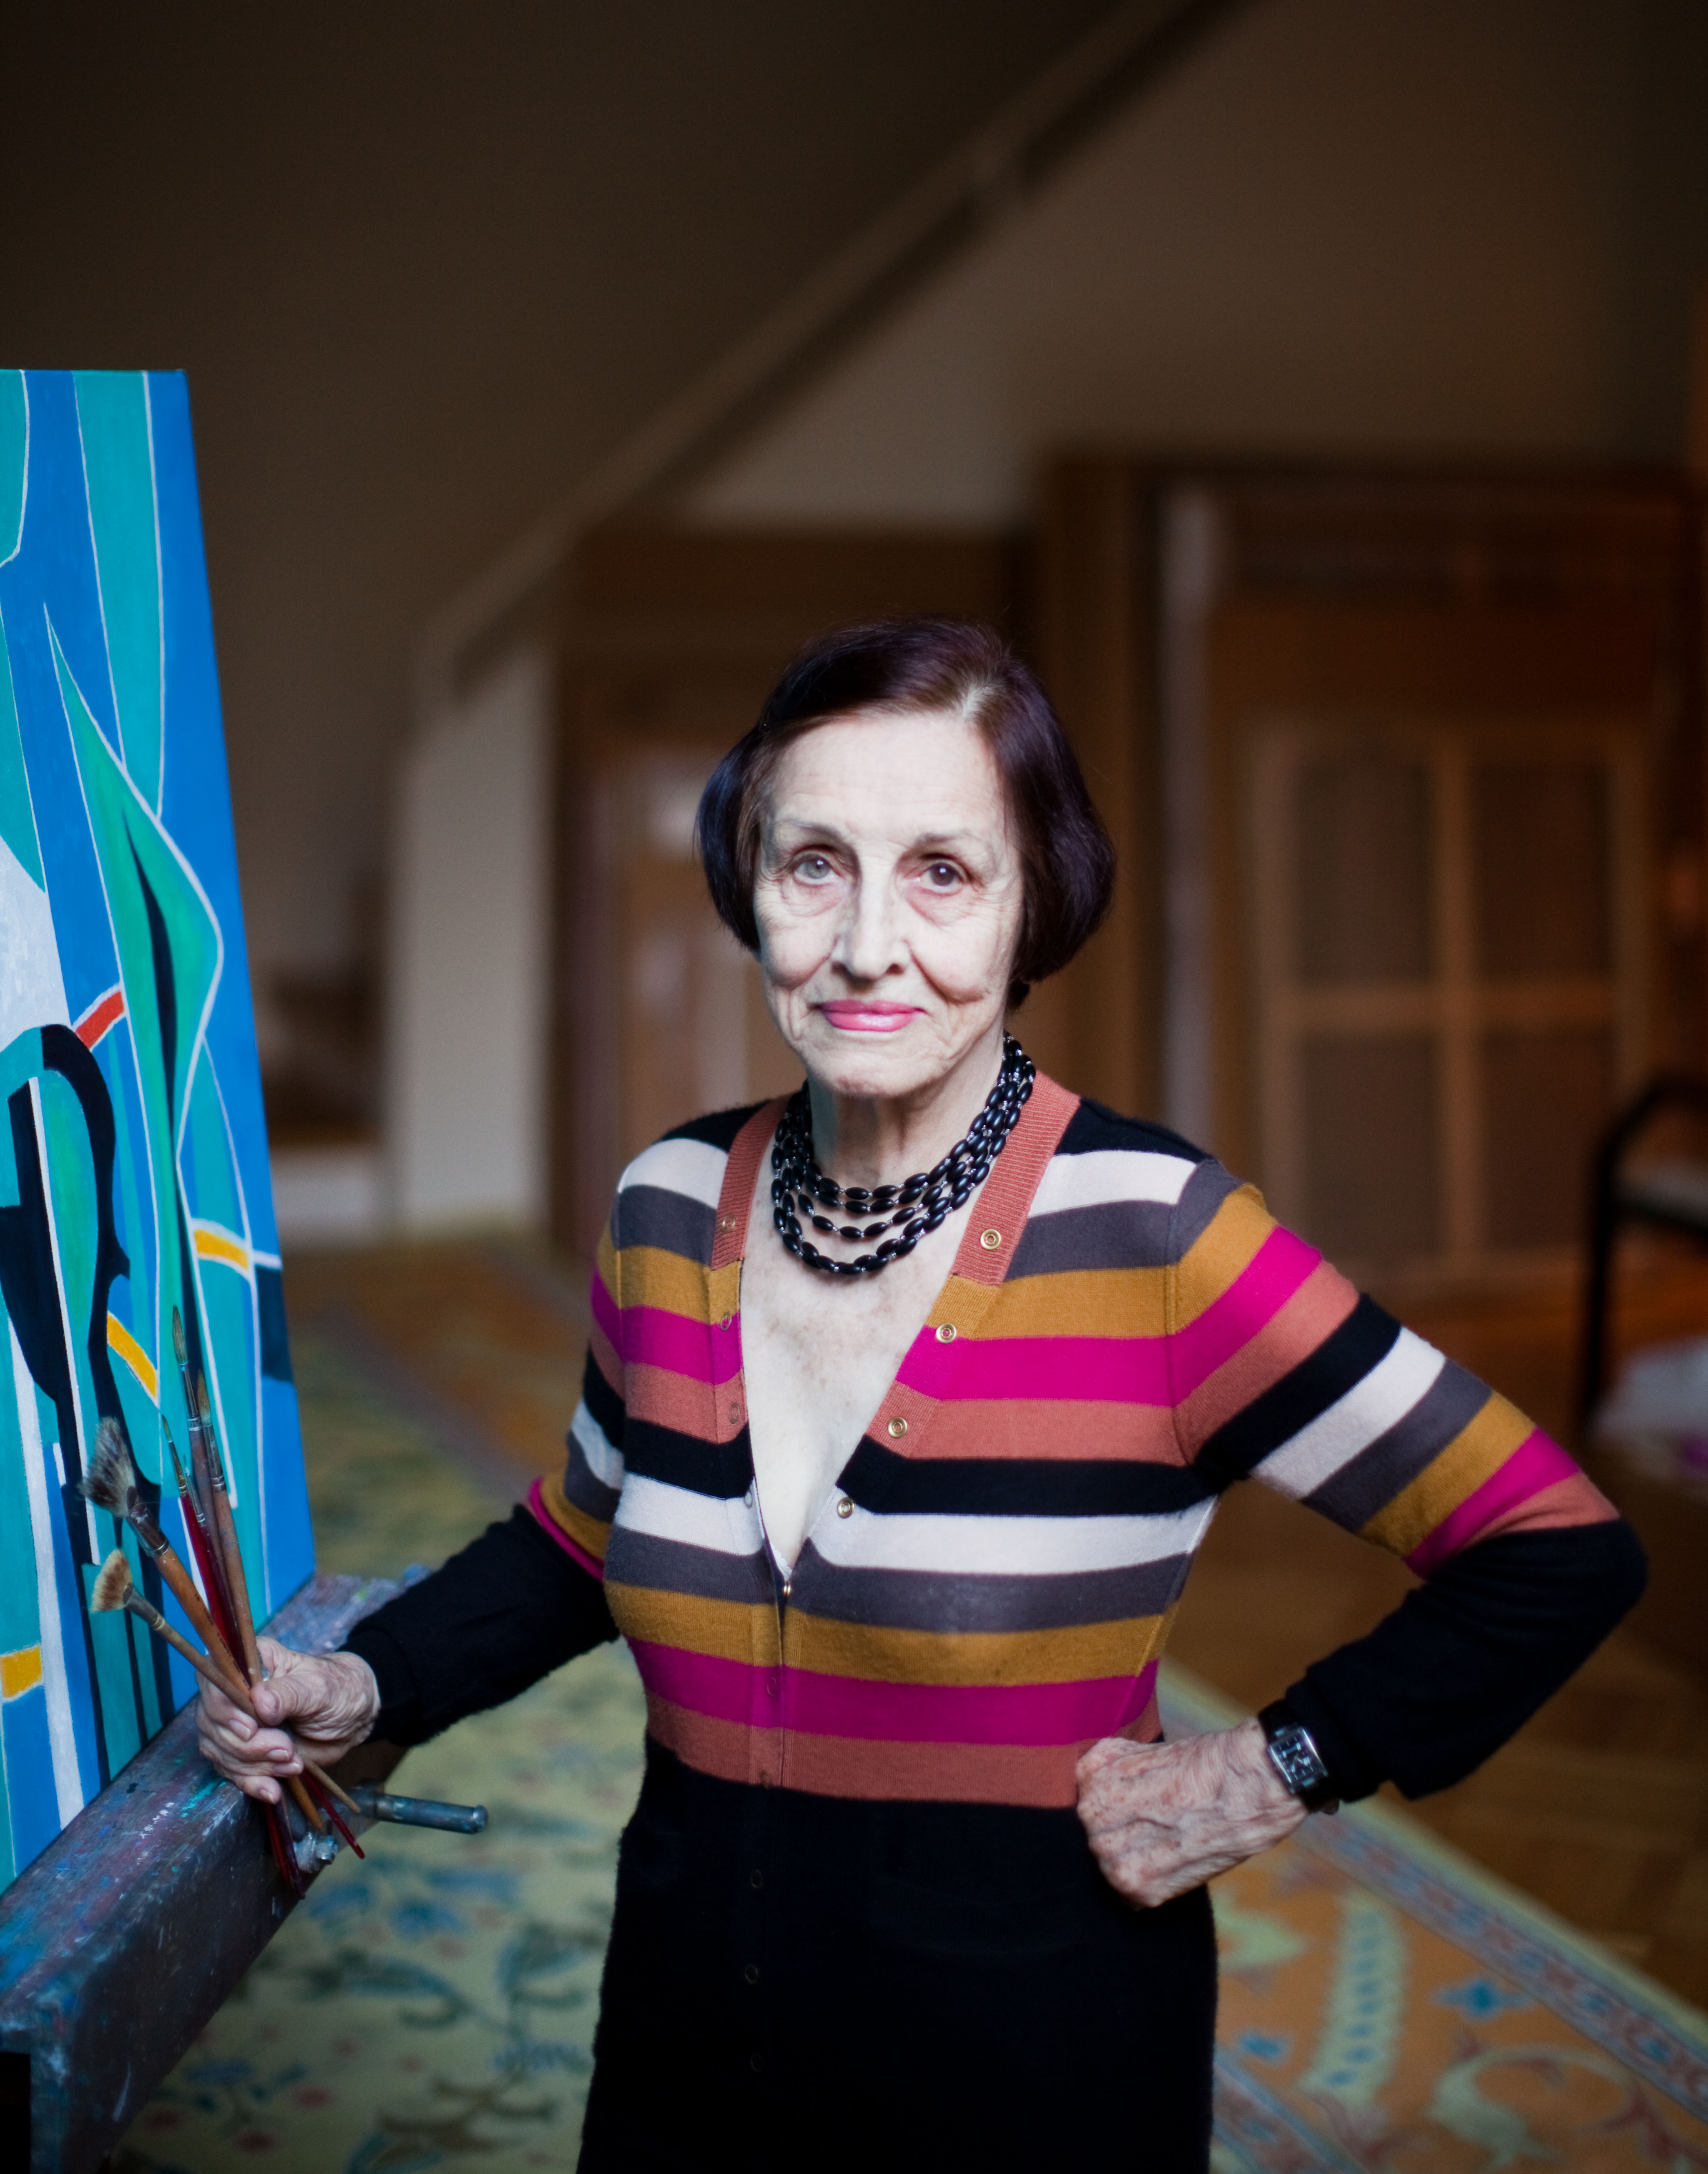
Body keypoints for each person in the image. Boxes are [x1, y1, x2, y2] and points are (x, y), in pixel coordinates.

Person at [200, 618, 1645, 2171]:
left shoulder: (1156, 1234)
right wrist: (369, 1683)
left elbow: (1554, 1549)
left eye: (943, 873)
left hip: (1028, 2078)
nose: (868, 942)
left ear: (1035, 906)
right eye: (813, 862)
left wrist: (1278, 1767)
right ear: (745, 883)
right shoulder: (670, 1202)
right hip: (684, 2049)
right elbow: (587, 1535)